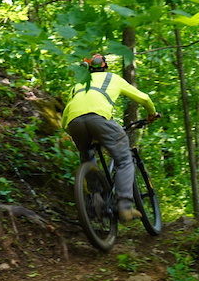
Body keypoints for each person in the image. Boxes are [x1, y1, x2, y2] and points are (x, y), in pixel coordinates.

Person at [62, 54, 158, 223]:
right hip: (100, 119)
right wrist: (151, 113)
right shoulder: (113, 78)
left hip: (73, 122)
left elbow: (65, 116)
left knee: (87, 157)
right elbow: (144, 98)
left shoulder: (78, 84)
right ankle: (125, 207)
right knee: (124, 160)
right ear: (104, 66)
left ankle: (96, 200)